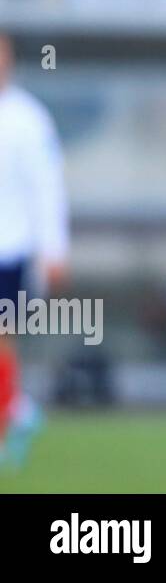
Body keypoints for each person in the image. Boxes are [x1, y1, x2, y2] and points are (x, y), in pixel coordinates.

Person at [0, 32, 70, 469]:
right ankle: (17, 408)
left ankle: (16, 410)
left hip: (10, 247)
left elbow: (48, 187)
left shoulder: (27, 118)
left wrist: (54, 247)